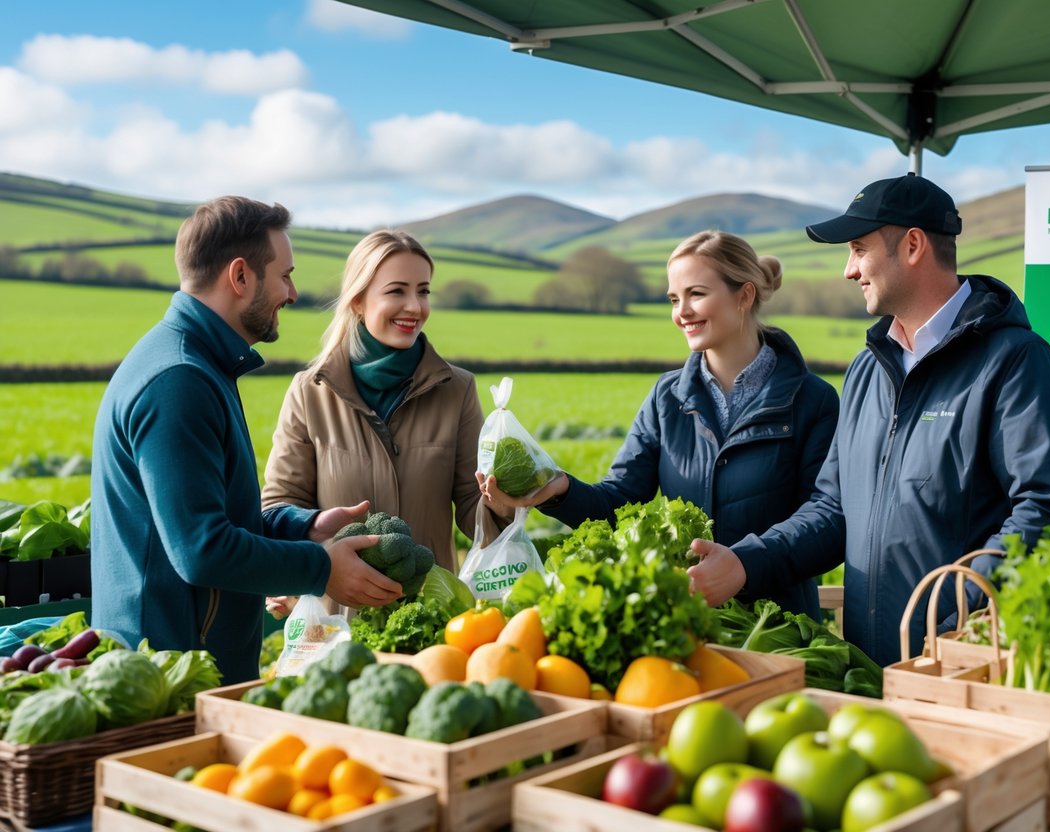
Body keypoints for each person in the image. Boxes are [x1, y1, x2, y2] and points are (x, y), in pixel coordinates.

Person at [685, 174, 1050, 667]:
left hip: (962, 668)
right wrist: (745, 563)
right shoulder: (867, 371)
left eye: (858, 249)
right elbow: (833, 509)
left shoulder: (1015, 363)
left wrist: (952, 622)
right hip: (872, 670)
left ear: (914, 245)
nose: (848, 270)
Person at [91, 196, 400, 684]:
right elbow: (201, 550)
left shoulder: (198, 364)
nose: (293, 293)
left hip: (181, 664)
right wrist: (321, 569)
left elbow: (212, 518)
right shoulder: (180, 380)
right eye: (285, 274)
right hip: (171, 674)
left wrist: (305, 527)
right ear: (240, 277)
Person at [482, 230, 840, 619]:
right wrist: (559, 490)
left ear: (745, 295)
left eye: (696, 294)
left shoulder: (812, 401)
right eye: (674, 298)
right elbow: (619, 500)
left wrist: (744, 564)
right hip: (687, 620)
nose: (681, 311)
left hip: (777, 627)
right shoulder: (667, 397)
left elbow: (824, 520)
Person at [261, 229, 504, 617]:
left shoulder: (457, 389)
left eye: (423, 291)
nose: (414, 306)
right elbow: (279, 505)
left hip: (431, 616)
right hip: (335, 622)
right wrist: (315, 532)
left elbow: (476, 514)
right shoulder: (310, 392)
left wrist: (502, 503)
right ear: (358, 300)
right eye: (396, 291)